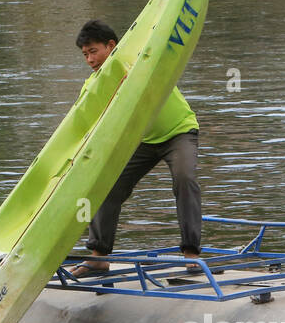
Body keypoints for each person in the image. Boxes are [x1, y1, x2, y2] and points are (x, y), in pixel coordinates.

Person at [69, 19, 203, 277]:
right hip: (141, 141)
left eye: (93, 51)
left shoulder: (140, 60)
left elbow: (160, 30)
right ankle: (98, 257)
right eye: (85, 55)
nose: (89, 60)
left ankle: (191, 254)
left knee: (185, 178)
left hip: (178, 132)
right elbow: (81, 122)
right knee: (105, 185)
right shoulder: (93, 85)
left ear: (111, 46)